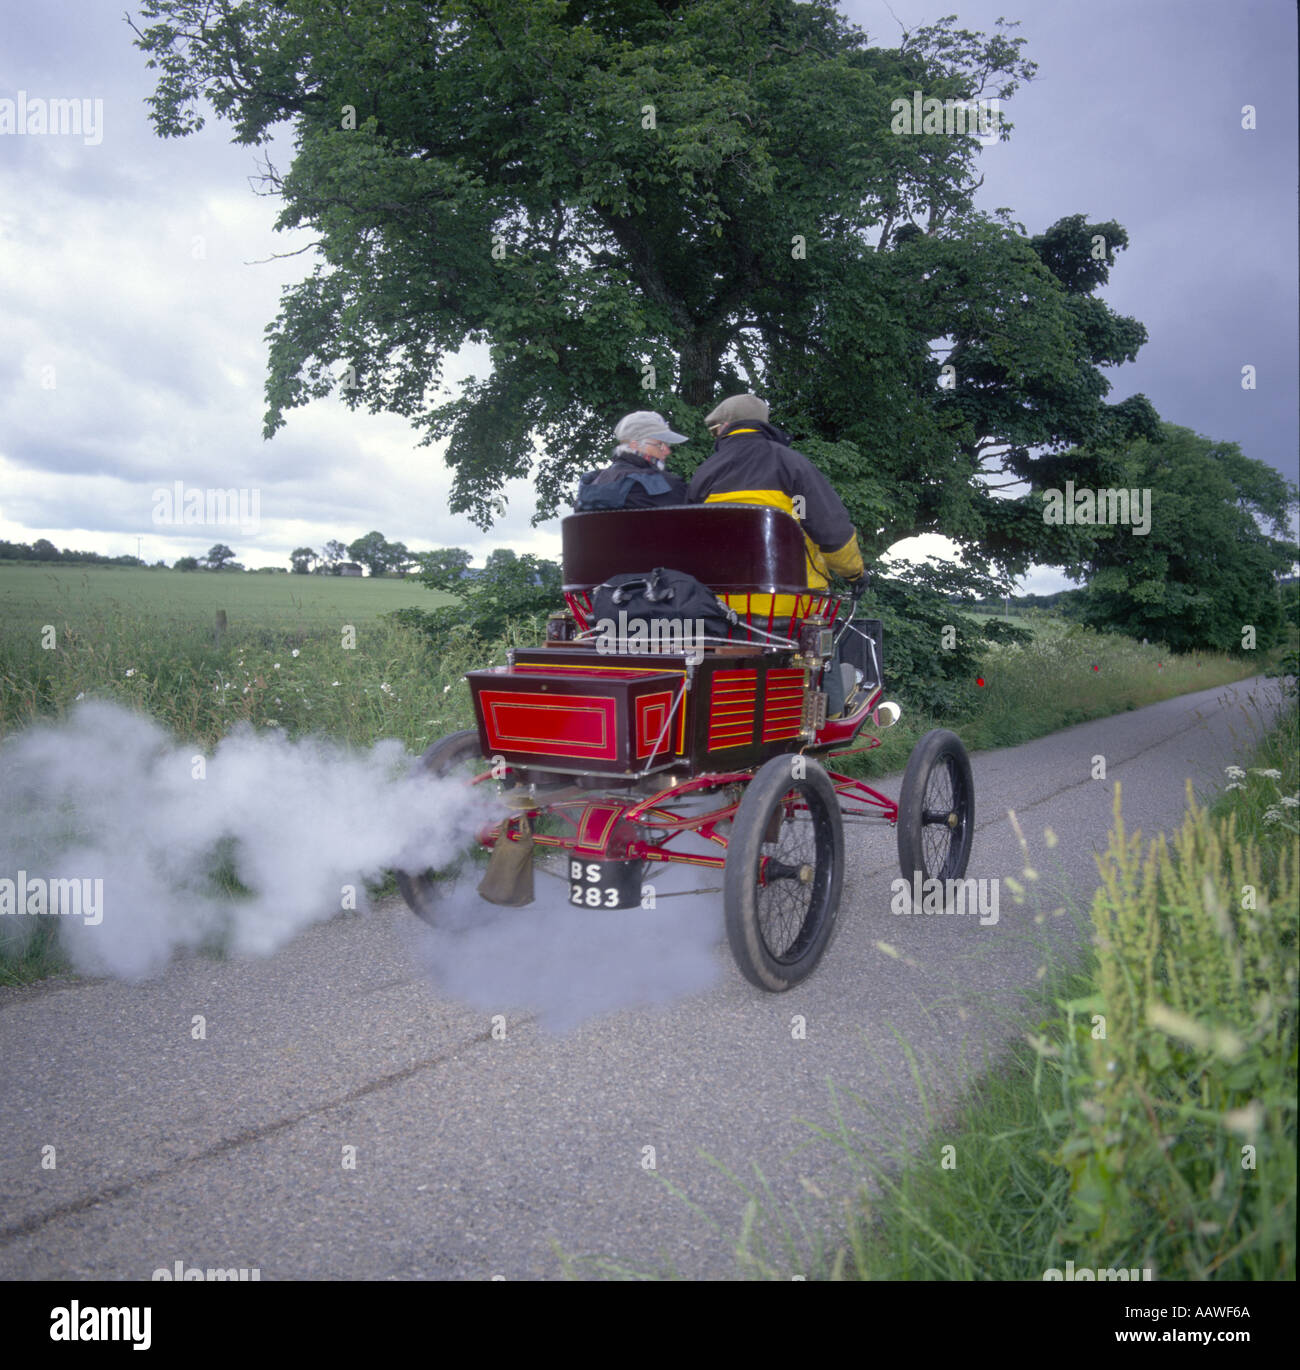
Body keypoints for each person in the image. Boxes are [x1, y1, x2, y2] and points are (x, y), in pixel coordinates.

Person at [688, 393, 868, 714]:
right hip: (790, 610)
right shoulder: (792, 465)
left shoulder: (704, 475)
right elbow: (832, 534)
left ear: (726, 427)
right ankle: (828, 718)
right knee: (822, 653)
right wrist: (855, 573)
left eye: (716, 430)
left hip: (723, 613)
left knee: (735, 687)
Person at [574, 411, 689, 510]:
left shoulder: (590, 486)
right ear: (635, 445)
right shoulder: (668, 486)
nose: (667, 451)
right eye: (660, 445)